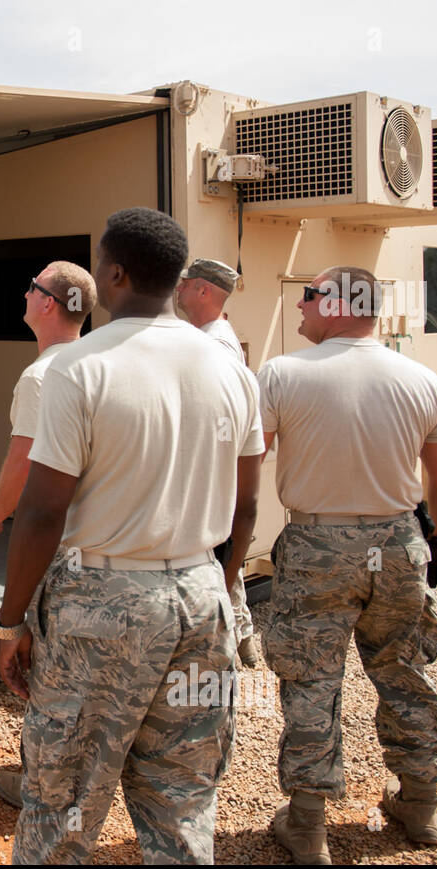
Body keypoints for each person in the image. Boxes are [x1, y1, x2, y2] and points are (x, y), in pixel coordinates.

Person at [0, 208, 263, 864]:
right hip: (201, 595)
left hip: (103, 603)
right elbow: (247, 506)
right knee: (182, 797)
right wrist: (218, 592)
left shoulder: (78, 368)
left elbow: (42, 511)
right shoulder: (230, 366)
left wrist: (11, 622)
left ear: (114, 273)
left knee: (62, 804)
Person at [258, 265, 437, 864]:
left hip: (319, 546)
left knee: (311, 678)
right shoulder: (421, 377)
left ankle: (308, 826)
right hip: (400, 542)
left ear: (340, 303)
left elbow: (248, 459)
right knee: (402, 667)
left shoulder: (284, 374)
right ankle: (421, 805)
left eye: (309, 296)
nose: (299, 307)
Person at [0, 260, 96, 809]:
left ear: (48, 303)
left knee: (49, 666)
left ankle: (43, 784)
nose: (23, 293)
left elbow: (22, 463)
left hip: (63, 547)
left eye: (31, 287)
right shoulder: (102, 359)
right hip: (108, 545)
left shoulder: (43, 376)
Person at [175, 257, 263, 668]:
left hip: (210, 472)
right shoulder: (212, 336)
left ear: (204, 291)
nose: (179, 290)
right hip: (220, 471)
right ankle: (243, 638)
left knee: (220, 561)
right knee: (227, 558)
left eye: (186, 284)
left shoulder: (212, 345)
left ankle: (232, 640)